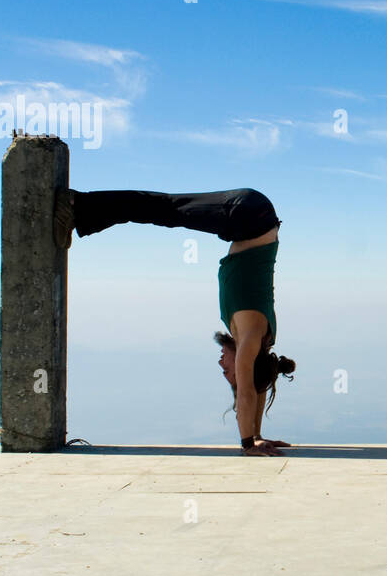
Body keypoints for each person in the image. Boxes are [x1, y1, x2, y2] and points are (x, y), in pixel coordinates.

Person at [53, 187, 294, 456]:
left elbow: (257, 386)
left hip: (254, 218)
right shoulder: (251, 336)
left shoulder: (257, 340)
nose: (222, 365)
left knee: (167, 210)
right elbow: (248, 391)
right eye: (229, 373)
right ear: (245, 367)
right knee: (166, 208)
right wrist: (248, 443)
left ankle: (80, 211)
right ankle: (75, 204)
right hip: (249, 214)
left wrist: (258, 435)